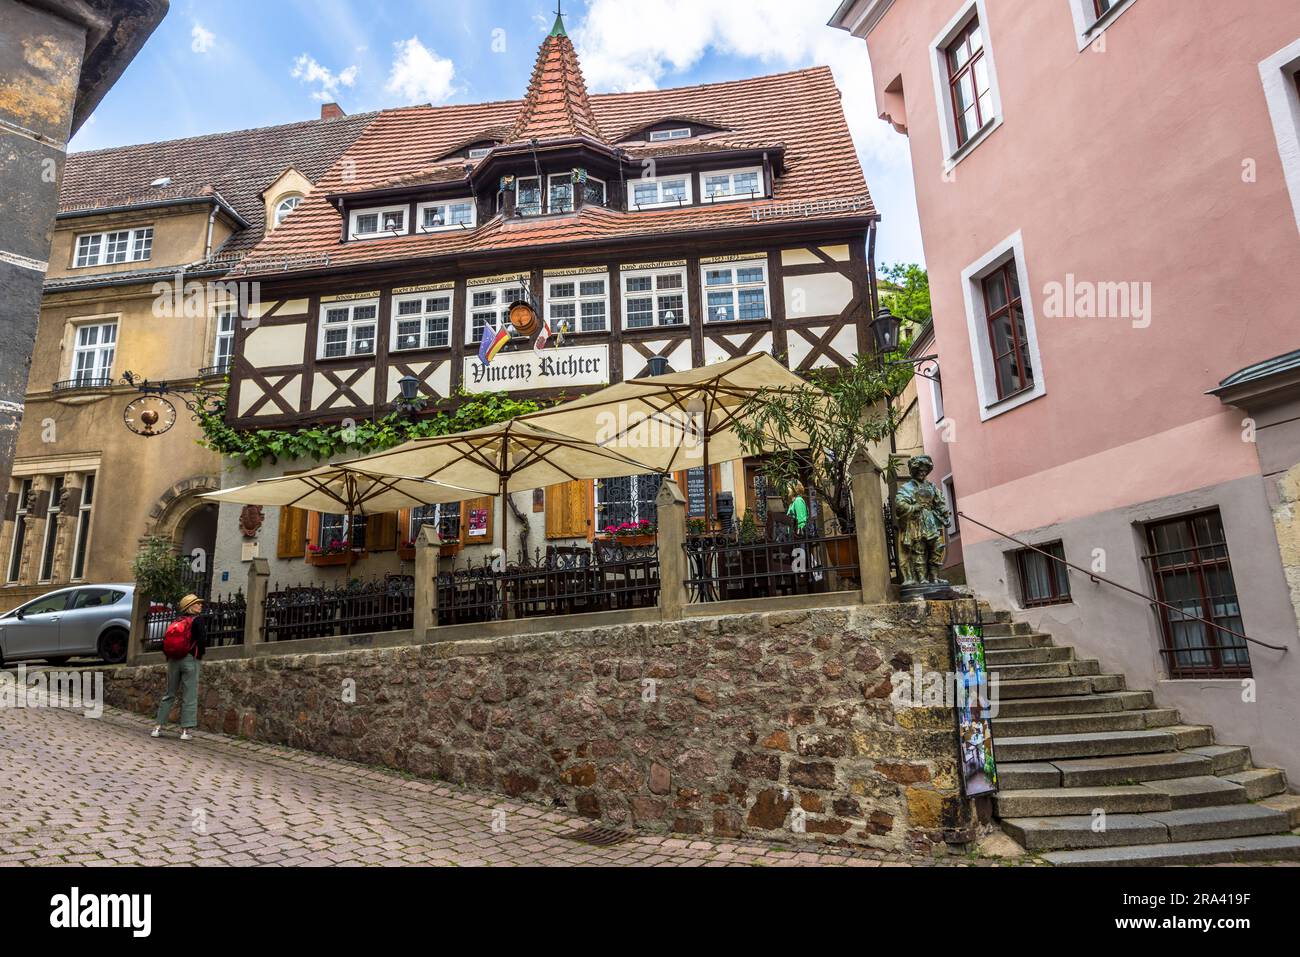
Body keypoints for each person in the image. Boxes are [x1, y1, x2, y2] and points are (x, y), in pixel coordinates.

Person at [152, 594, 207, 740]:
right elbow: (202, 641)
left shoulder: (176, 620)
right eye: (197, 603)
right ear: (190, 606)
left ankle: (157, 727)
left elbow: (166, 642)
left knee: (169, 694)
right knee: (189, 695)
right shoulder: (198, 620)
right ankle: (185, 731)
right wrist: (198, 655)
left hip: (173, 660)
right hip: (190, 660)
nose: (200, 605)